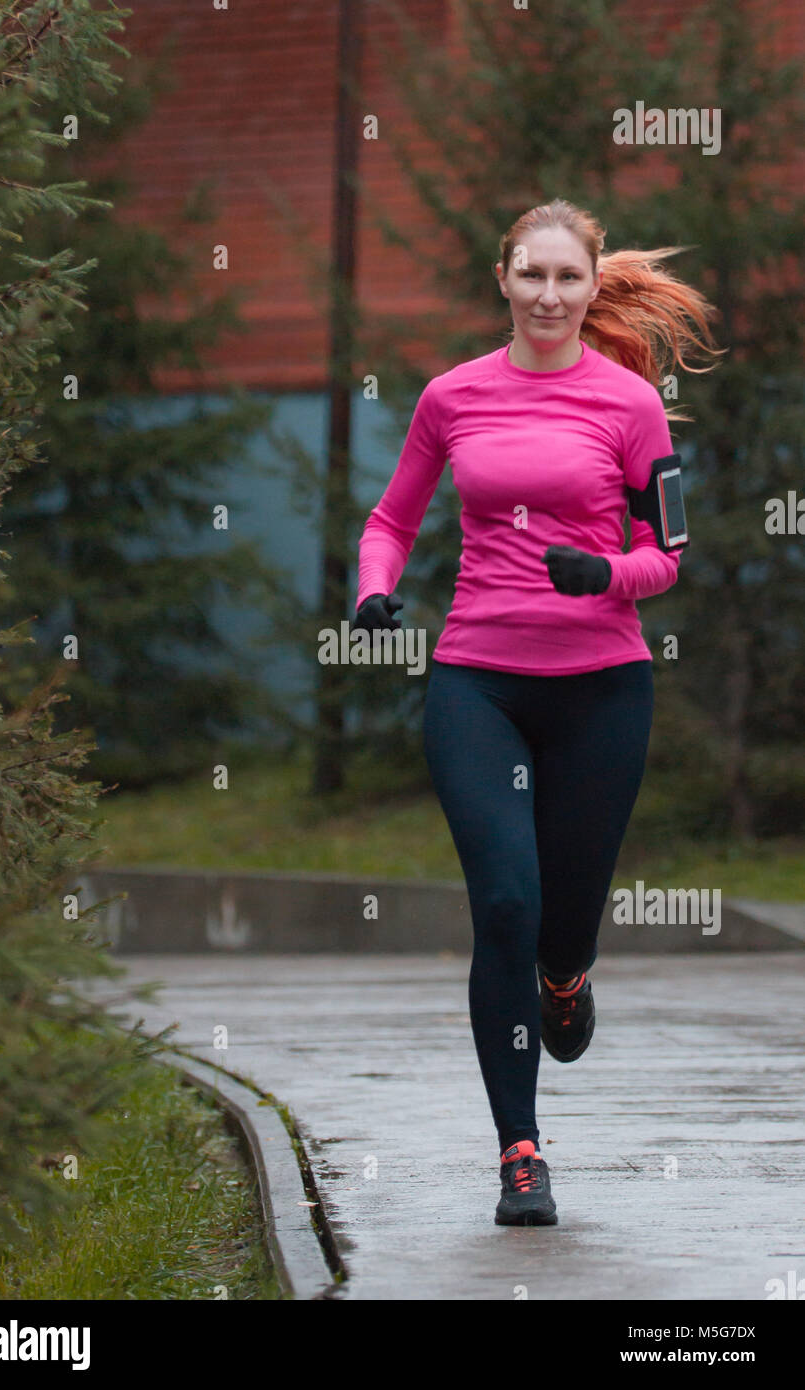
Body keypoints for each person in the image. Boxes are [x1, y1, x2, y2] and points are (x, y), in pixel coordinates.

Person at [353, 197, 724, 1226]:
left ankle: (567, 978)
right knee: (505, 907)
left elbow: (665, 558)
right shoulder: (452, 396)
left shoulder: (629, 405)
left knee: (559, 921)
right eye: (531, 275)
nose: (549, 295)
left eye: (567, 278)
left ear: (589, 284)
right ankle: (519, 1152)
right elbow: (390, 518)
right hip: (477, 678)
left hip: (602, 688)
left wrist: (599, 572)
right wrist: (373, 590)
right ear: (502, 280)